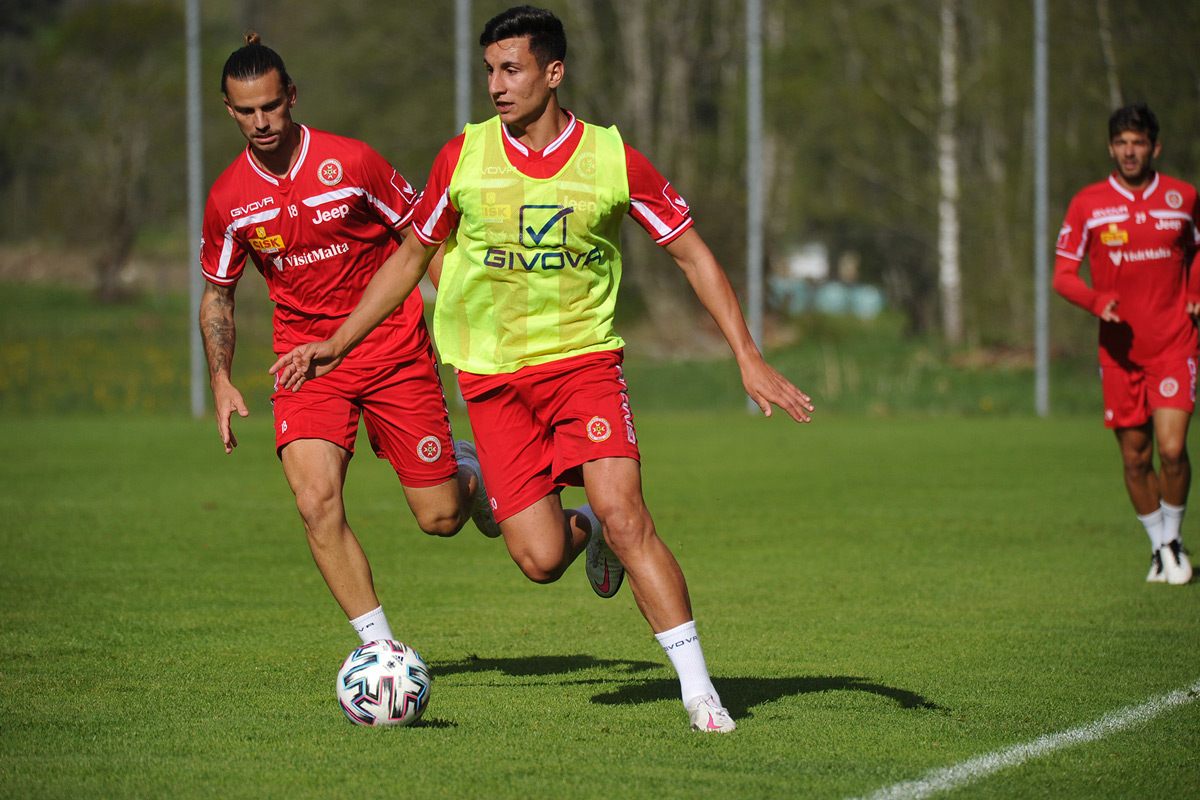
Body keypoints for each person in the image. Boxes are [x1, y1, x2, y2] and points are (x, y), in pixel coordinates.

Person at [271, 6, 814, 732]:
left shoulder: (611, 160)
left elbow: (692, 254)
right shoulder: (462, 157)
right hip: (493, 380)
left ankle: (700, 695)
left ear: (553, 72)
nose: (497, 85)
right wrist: (339, 341)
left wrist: (747, 355)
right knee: (540, 558)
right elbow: (409, 257)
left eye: (512, 69)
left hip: (583, 364)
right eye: (489, 71)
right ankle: (587, 528)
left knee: (629, 516)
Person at [199, 34, 498, 646]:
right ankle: (380, 650)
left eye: (270, 106)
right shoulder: (228, 199)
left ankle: (465, 467)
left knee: (441, 518)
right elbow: (218, 295)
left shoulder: (354, 162)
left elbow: (423, 241)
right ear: (229, 110)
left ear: (291, 96)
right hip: (306, 364)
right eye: (246, 111)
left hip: (392, 349)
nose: (261, 121)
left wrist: (469, 323)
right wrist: (221, 379)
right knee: (315, 502)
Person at [1053, 104, 1200, 585]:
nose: (1129, 151)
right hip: (1119, 353)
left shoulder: (1183, 197)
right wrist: (1097, 301)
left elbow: (1198, 250)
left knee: (1172, 450)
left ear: (1155, 147)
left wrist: (1195, 291)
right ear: (1111, 148)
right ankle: (1158, 547)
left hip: (1175, 342)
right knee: (1136, 458)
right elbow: (1063, 275)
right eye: (1121, 142)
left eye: (1138, 142)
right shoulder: (1088, 204)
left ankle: (1173, 540)